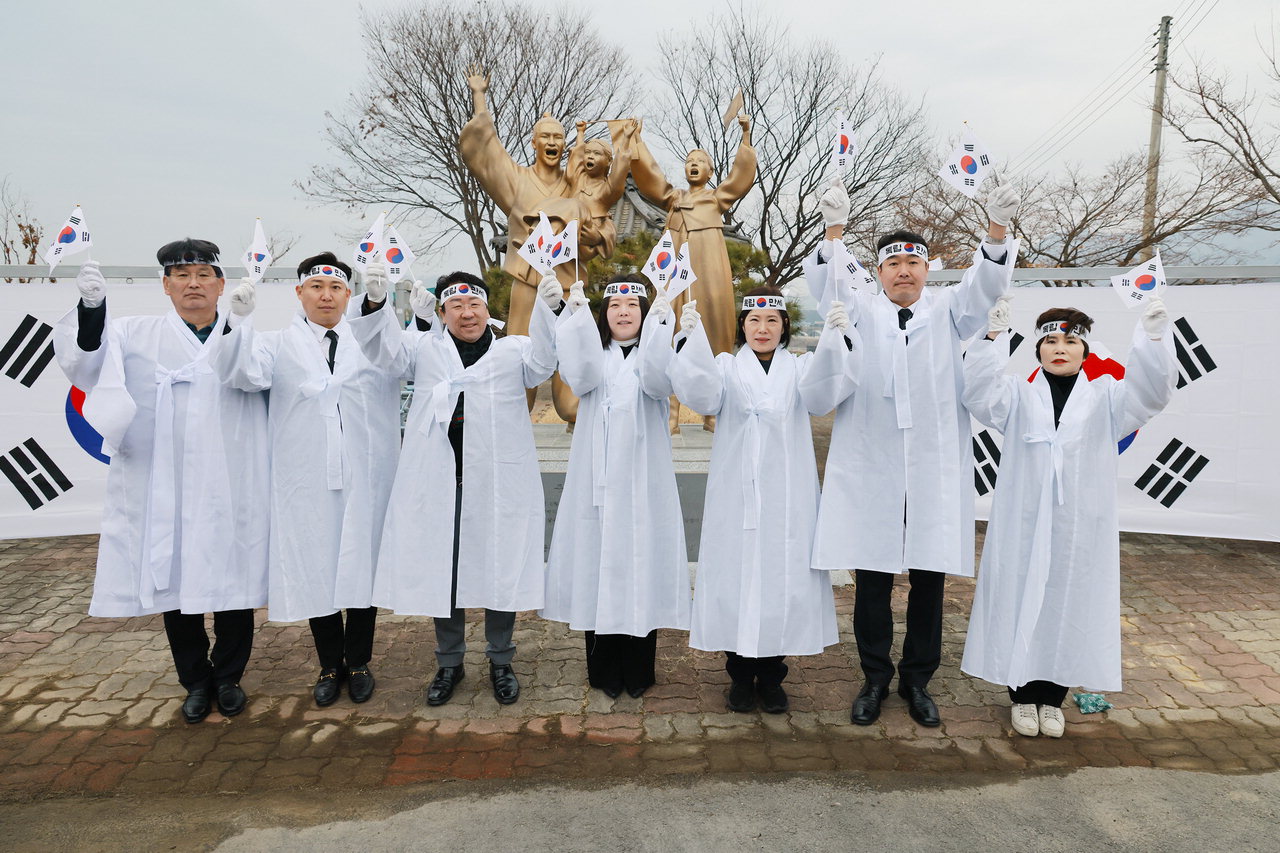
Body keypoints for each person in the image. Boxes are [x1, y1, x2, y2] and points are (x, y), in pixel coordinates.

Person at [800, 182, 1021, 727]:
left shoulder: (949, 312)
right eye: (893, 262)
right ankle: (874, 678)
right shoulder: (862, 311)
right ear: (878, 271)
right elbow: (830, 282)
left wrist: (996, 228)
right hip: (871, 460)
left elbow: (984, 286)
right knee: (872, 576)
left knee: (929, 578)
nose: (903, 271)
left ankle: (917, 679)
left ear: (927, 271)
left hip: (933, 463)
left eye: (913, 263)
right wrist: (833, 232)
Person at [52, 239, 269, 724]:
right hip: (163, 477)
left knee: (232, 577)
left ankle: (229, 676)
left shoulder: (243, 331)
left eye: (203, 275)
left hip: (228, 477)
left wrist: (239, 327)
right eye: (182, 275)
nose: (194, 284)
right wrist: (92, 310)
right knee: (174, 579)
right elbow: (86, 367)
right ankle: (195, 680)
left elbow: (255, 378)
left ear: (220, 283)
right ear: (166, 285)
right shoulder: (133, 334)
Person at [961, 297, 1176, 737]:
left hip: (1080, 523)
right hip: (1024, 520)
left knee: (1067, 603)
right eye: (1051, 341)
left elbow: (1153, 394)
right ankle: (1021, 694)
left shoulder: (1108, 399)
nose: (1060, 348)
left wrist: (1153, 339)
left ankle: (1052, 697)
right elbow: (976, 391)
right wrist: (990, 338)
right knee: (1021, 599)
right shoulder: (1018, 395)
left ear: (1086, 350)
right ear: (1038, 349)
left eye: (1071, 341)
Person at [347, 269, 559, 706]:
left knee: (499, 567)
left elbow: (544, 362)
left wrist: (546, 307)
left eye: (475, 305)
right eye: (457, 306)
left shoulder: (511, 351)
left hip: (498, 484)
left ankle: (501, 659)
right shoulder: (423, 349)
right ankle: (450, 662)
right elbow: (381, 353)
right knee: (446, 573)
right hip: (440, 483)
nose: (467, 314)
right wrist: (374, 302)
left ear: (487, 309)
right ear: (442, 312)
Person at [214, 253, 402, 707]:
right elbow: (239, 374)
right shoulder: (276, 343)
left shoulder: (367, 341)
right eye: (316, 286)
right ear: (299, 293)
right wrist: (237, 322)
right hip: (305, 475)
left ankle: (358, 662)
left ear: (348, 295)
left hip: (363, 472)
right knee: (316, 564)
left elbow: (397, 361)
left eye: (336, 288)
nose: (326, 295)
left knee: (360, 564)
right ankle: (328, 663)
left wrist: (380, 308)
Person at [657, 286, 841, 713]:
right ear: (743, 325)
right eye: (754, 320)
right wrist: (690, 342)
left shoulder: (799, 369)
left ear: (785, 327)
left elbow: (822, 397)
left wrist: (835, 343)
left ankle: (773, 675)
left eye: (772, 321)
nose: (763, 329)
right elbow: (701, 396)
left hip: (786, 495)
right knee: (735, 580)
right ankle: (739, 676)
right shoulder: (724, 367)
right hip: (735, 494)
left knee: (781, 580)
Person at [541, 274, 690, 699]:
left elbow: (659, 384)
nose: (624, 312)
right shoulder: (594, 357)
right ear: (604, 314)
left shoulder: (652, 355)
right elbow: (580, 376)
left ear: (644, 312)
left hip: (644, 483)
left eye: (633, 306)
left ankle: (639, 668)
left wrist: (664, 332)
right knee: (596, 564)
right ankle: (603, 667)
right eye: (614, 306)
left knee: (641, 564)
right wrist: (567, 315)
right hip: (596, 482)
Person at [629, 115, 757, 432]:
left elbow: (740, 179)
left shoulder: (716, 198)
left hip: (708, 262)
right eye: (689, 161)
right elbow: (651, 179)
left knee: (713, 321)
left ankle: (710, 411)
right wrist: (636, 141)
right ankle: (671, 412)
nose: (694, 164)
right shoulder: (674, 198)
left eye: (700, 161)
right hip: (675, 262)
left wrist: (745, 135)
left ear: (711, 172)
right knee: (671, 325)